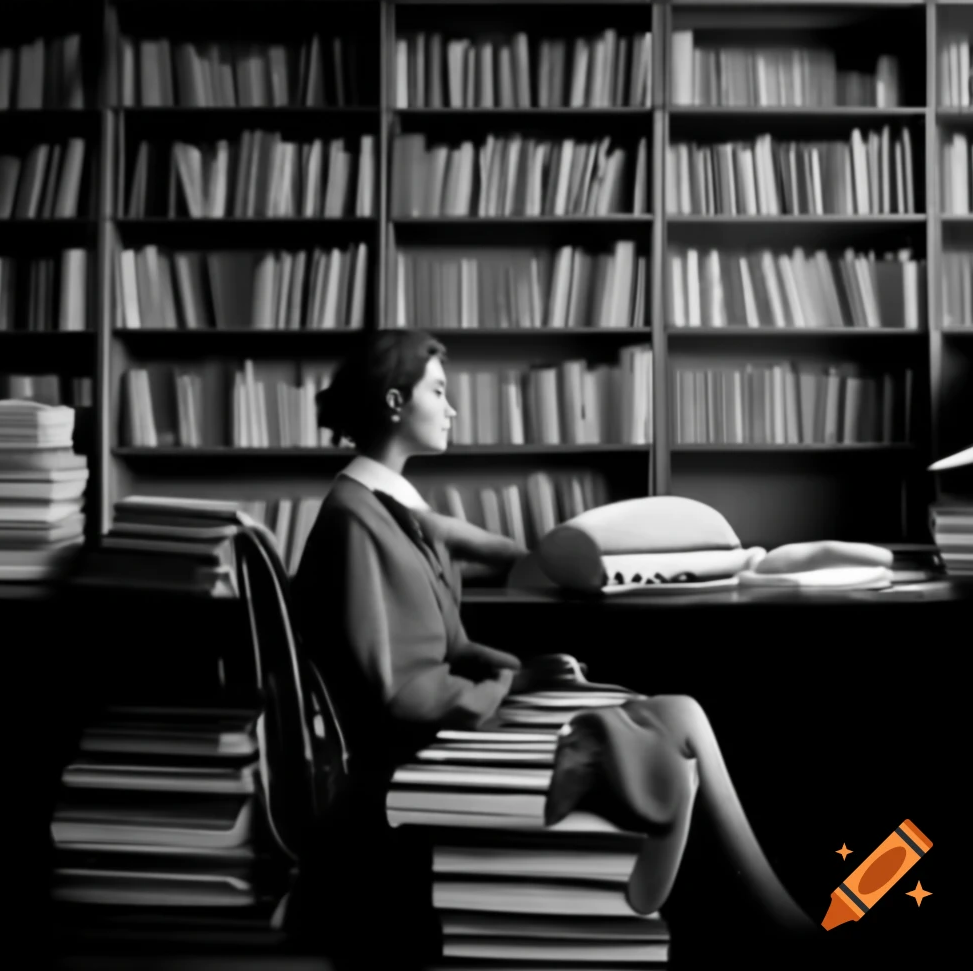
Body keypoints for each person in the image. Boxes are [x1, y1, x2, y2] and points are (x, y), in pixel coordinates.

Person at [290, 330, 817, 967]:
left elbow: (441, 644)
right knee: (676, 718)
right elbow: (397, 689)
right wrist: (513, 687)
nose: (452, 408)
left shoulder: (393, 510)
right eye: (439, 392)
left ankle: (765, 912)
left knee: (674, 710)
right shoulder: (356, 520)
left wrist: (519, 670)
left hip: (451, 714)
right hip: (423, 746)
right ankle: (775, 920)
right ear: (396, 402)